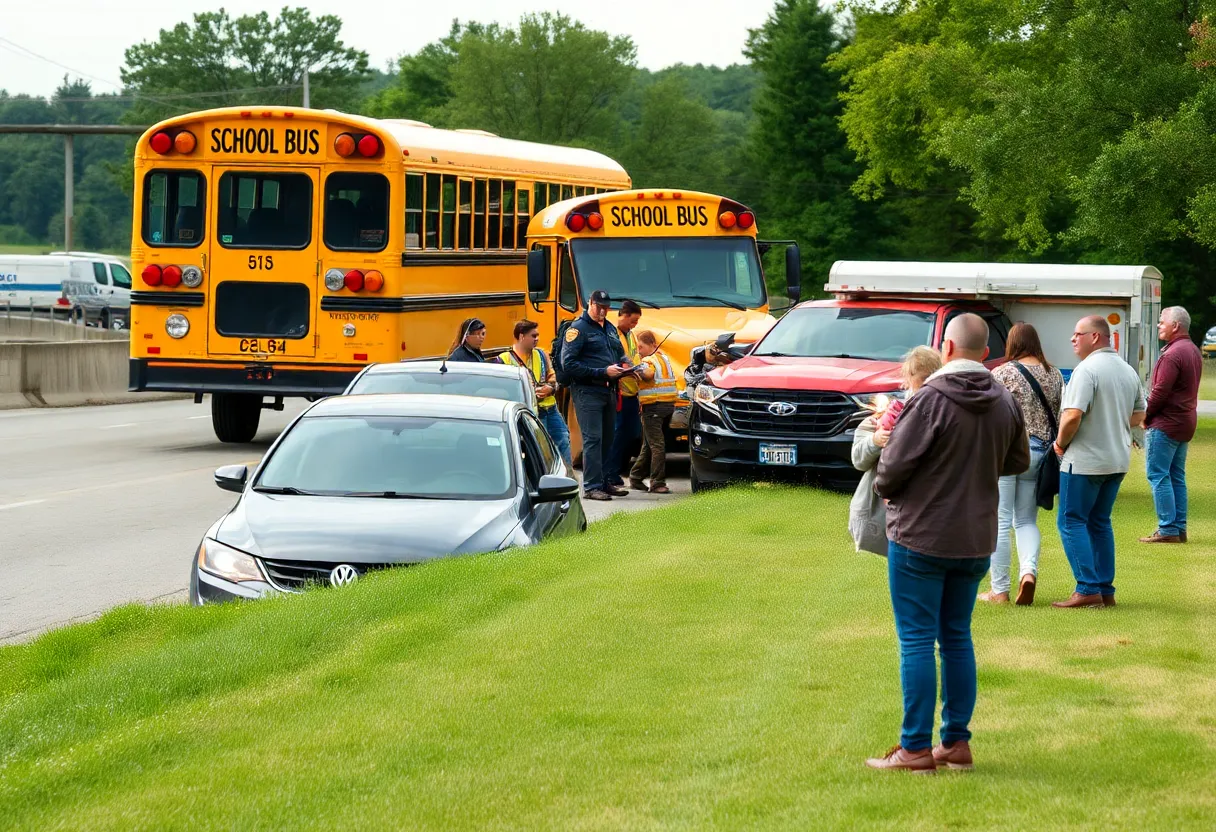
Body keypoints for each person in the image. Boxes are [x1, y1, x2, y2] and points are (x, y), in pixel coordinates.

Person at [867, 314, 1029, 774]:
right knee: (956, 637)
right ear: (984, 351)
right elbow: (1017, 460)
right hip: (976, 536)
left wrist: (891, 488)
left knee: (916, 639)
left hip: (921, 533)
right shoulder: (1004, 397)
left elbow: (892, 469)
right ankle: (956, 742)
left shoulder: (930, 399)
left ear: (948, 347)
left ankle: (915, 748)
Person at [1052, 315, 1146, 609]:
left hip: (1084, 461)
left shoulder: (1086, 369)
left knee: (1070, 520)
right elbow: (1139, 414)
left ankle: (1087, 587)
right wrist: (1112, 423)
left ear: (1096, 336)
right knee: (1100, 522)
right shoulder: (1127, 370)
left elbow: (1072, 415)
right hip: (1117, 459)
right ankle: (1105, 589)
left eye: (1078, 334)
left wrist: (1059, 444)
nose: (1072, 339)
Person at [979, 323, 1064, 606]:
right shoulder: (1054, 374)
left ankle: (999, 590)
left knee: (1000, 521)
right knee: (1026, 520)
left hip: (1006, 453)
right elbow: (1063, 412)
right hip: (1040, 454)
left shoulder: (1001, 373)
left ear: (1012, 344)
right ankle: (1028, 572)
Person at [849, 346, 942, 557]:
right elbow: (858, 459)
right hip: (895, 513)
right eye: (919, 378)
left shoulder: (941, 411)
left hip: (923, 511)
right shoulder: (890, 412)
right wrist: (875, 440)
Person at [1141, 306, 1202, 544]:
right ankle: (1179, 528)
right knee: (1176, 475)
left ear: (1175, 325)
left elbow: (1159, 392)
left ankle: (1167, 529)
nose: (1159, 325)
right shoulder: (1193, 350)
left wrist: (1145, 416)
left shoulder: (1171, 354)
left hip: (1166, 423)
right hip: (1185, 422)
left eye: (1162, 322)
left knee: (1158, 474)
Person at [561, 290, 630, 501]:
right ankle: (591, 486)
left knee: (609, 438)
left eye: (606, 307)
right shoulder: (577, 329)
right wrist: (601, 372)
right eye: (599, 306)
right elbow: (568, 364)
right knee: (593, 439)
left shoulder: (608, 327)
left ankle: (606, 481)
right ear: (589, 303)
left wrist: (627, 365)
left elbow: (618, 352)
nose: (602, 311)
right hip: (587, 390)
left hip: (609, 388)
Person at [498, 319, 572, 467]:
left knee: (563, 440)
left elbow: (553, 377)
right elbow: (501, 390)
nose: (537, 339)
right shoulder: (503, 359)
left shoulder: (541, 354)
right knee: (538, 450)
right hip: (528, 413)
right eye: (533, 336)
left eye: (537, 335)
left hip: (550, 409)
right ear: (521, 336)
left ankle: (568, 478)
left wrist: (551, 388)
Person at [628, 329, 683, 494]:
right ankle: (641, 478)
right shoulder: (664, 358)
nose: (639, 350)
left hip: (653, 407)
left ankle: (653, 481)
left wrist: (634, 369)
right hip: (666, 406)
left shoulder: (648, 361)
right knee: (651, 445)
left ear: (652, 344)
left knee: (654, 445)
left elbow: (649, 374)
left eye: (641, 346)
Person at [605, 299, 643, 490]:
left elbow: (633, 356)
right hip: (620, 391)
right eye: (633, 321)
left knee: (632, 433)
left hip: (632, 391)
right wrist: (628, 369)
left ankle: (617, 469)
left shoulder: (631, 335)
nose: (635, 325)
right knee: (618, 434)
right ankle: (611, 472)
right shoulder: (612, 334)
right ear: (624, 315)